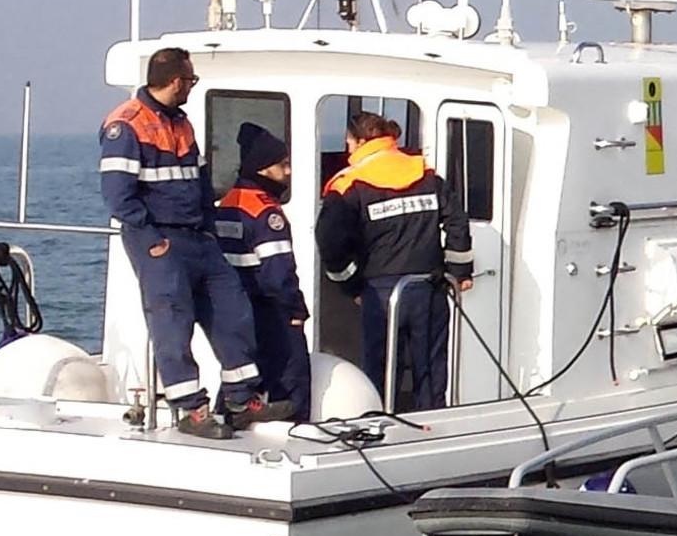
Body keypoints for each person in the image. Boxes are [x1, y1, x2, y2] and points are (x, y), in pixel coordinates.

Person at [98, 47, 291, 439]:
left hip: (198, 236)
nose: (192, 87)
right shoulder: (127, 125)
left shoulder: (182, 123)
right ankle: (190, 408)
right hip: (159, 238)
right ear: (175, 81)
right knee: (173, 319)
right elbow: (118, 195)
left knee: (232, 309)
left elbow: (200, 179)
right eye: (191, 80)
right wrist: (152, 241)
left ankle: (240, 398)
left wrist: (209, 226)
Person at [315, 112, 473, 410]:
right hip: (429, 286)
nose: (347, 149)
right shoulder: (425, 174)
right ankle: (432, 427)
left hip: (381, 291)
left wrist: (350, 284)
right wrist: (459, 272)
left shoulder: (348, 185)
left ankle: (380, 427)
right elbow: (457, 222)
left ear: (361, 141)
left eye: (348, 142)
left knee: (382, 370)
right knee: (431, 370)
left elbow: (330, 240)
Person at [216, 123, 312, 419]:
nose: (288, 172)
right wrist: (296, 310)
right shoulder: (265, 212)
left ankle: (225, 423)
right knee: (292, 378)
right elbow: (278, 273)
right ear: (263, 169)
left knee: (240, 376)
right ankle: (294, 435)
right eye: (282, 165)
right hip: (271, 309)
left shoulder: (227, 204)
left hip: (236, 307)